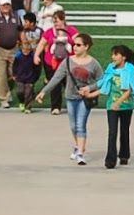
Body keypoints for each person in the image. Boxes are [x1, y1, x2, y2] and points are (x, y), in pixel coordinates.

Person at [38, 33, 104, 164]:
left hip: (84, 99)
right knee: (73, 126)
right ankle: (78, 146)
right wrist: (43, 92)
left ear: (86, 47)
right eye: (74, 45)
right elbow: (56, 78)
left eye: (78, 45)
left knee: (80, 125)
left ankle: (80, 153)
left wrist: (89, 89)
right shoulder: (68, 61)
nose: (75, 47)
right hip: (70, 97)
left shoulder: (94, 63)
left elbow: (102, 81)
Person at [98, 43, 134, 169]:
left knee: (124, 131)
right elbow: (104, 83)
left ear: (124, 57)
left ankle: (124, 155)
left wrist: (119, 102)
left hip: (126, 106)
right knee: (112, 132)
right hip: (112, 105)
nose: (113, 57)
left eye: (116, 54)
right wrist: (90, 92)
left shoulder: (130, 69)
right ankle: (110, 159)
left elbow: (130, 89)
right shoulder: (110, 68)